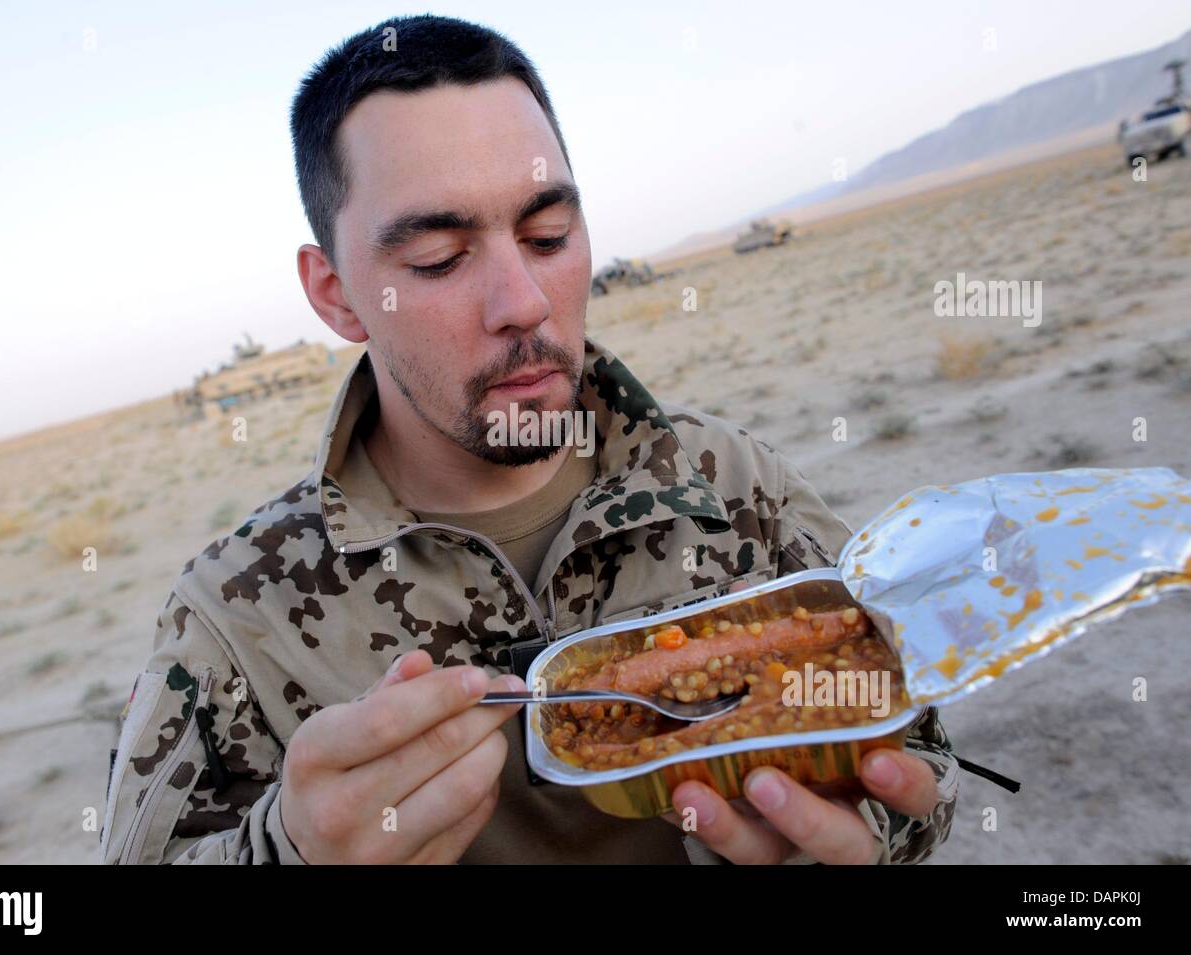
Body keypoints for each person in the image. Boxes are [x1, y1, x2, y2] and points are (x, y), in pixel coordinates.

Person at [100, 14, 957, 865]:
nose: (524, 300)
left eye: (548, 236)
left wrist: (877, 827)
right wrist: (287, 850)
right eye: (439, 257)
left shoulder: (732, 485)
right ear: (337, 295)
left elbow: (924, 752)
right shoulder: (238, 617)